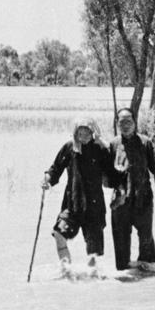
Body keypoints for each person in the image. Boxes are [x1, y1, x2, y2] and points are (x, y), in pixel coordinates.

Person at [109, 107, 155, 272]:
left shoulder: (145, 142)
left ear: (134, 123)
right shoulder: (113, 145)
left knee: (146, 238)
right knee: (121, 242)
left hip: (143, 198)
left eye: (128, 121)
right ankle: (125, 276)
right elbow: (105, 172)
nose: (125, 125)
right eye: (122, 122)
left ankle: (148, 273)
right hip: (121, 201)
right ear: (117, 124)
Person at [42, 116, 113, 276]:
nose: (84, 135)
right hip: (72, 203)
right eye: (80, 132)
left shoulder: (100, 149)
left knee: (93, 249)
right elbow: (55, 168)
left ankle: (92, 274)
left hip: (94, 206)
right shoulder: (69, 148)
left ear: (93, 132)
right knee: (59, 233)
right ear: (75, 133)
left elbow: (112, 172)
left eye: (87, 132)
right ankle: (66, 270)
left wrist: (120, 187)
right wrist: (47, 179)